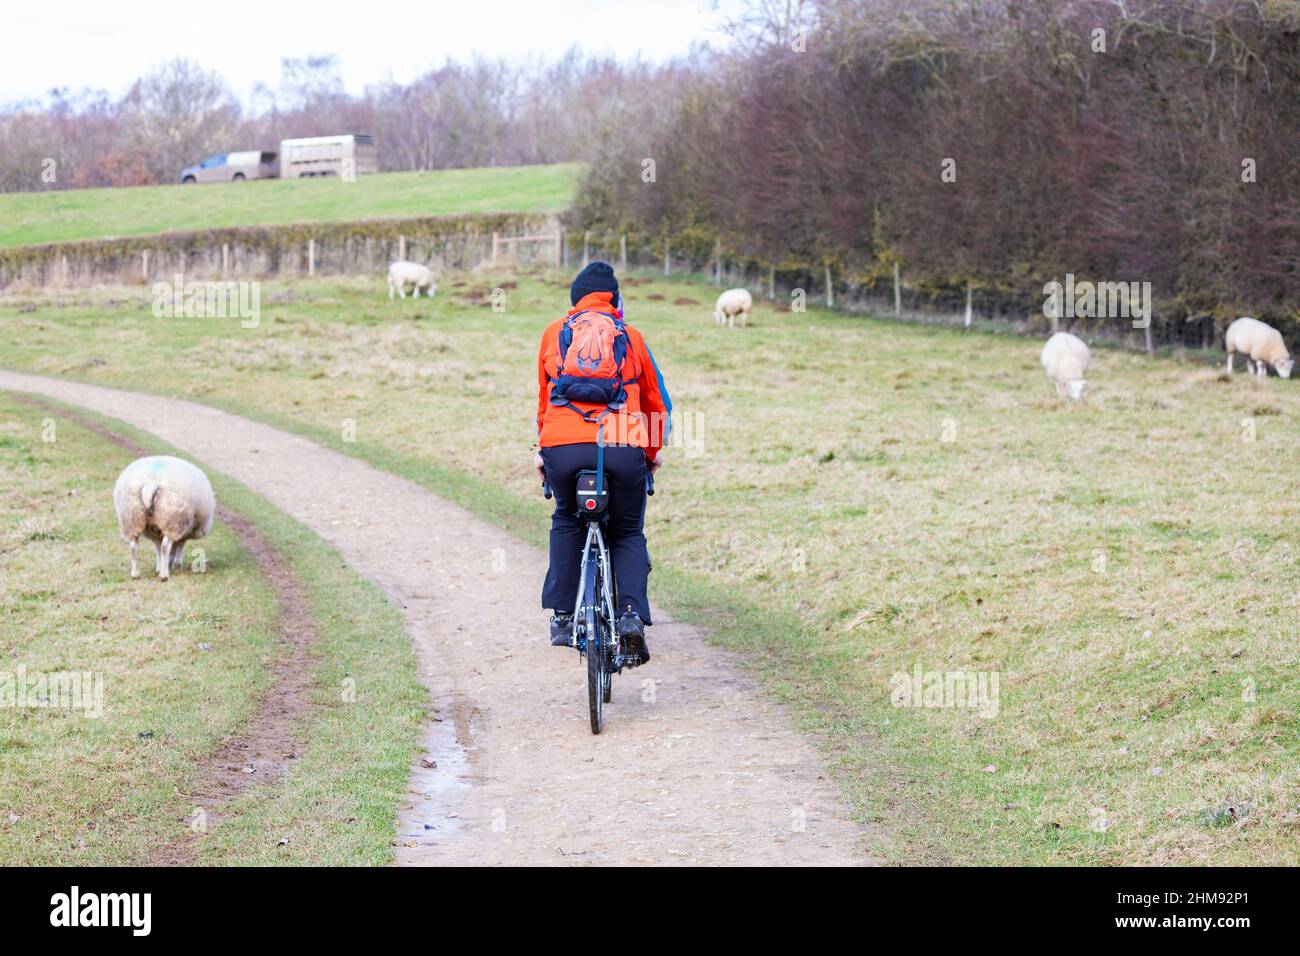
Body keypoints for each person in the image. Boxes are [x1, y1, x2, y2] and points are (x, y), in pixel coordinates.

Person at [534, 261, 670, 665]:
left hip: (562, 445)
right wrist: (651, 452)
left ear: (574, 299)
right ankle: (629, 617)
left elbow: (544, 399)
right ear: (615, 300)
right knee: (628, 532)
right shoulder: (631, 336)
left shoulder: (554, 334)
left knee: (566, 519)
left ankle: (561, 614)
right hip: (622, 445)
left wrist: (543, 449)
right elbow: (653, 402)